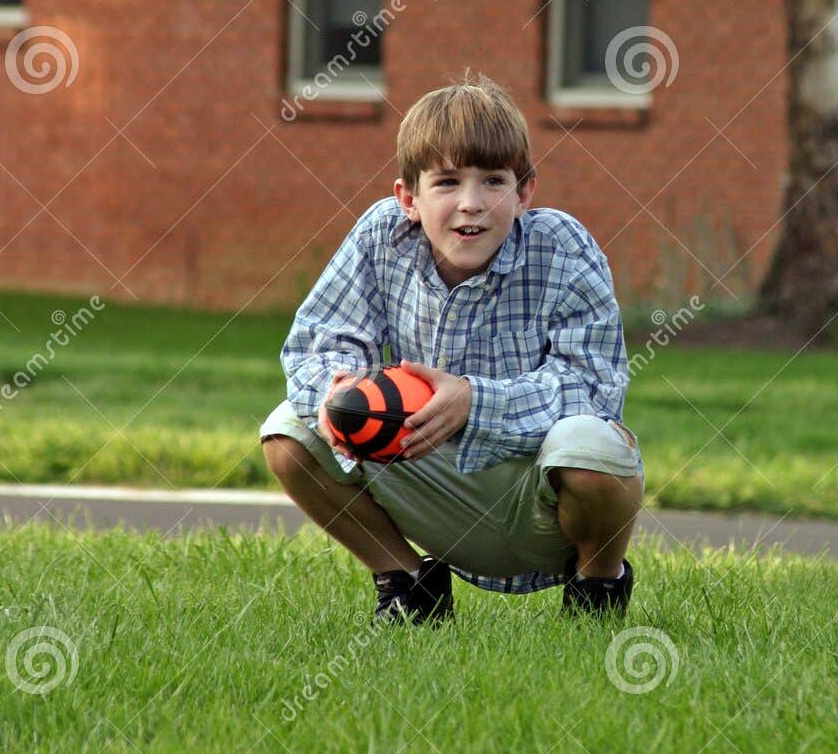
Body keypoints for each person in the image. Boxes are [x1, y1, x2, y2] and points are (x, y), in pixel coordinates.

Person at [261, 72, 645, 624]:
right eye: (446, 183)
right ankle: (410, 586)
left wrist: (473, 401)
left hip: (535, 496)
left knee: (595, 446)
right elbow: (320, 341)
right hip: (425, 475)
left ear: (525, 192)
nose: (472, 204)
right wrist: (337, 389)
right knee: (289, 430)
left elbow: (594, 388)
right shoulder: (381, 235)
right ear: (407, 198)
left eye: (493, 181)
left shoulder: (561, 246)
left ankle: (597, 587)